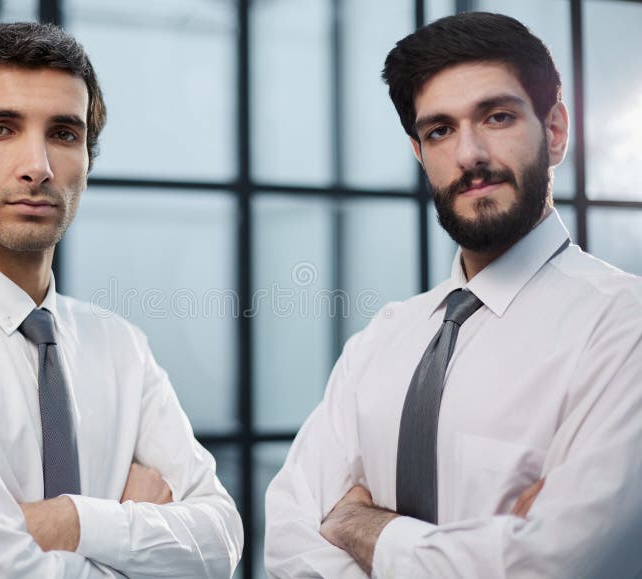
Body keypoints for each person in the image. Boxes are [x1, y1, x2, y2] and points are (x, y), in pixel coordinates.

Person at [0, 22, 242, 578]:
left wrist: (69, 521)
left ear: (88, 159)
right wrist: (132, 523)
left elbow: (220, 544)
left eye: (64, 133)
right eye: (1, 129)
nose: (39, 166)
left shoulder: (121, 345)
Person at [265, 12, 642, 579]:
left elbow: (553, 564)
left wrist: (359, 527)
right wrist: (485, 549)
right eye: (440, 130)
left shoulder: (624, 326)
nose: (469, 155)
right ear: (419, 152)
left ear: (556, 131)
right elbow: (288, 540)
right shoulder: (380, 340)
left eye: (497, 117)